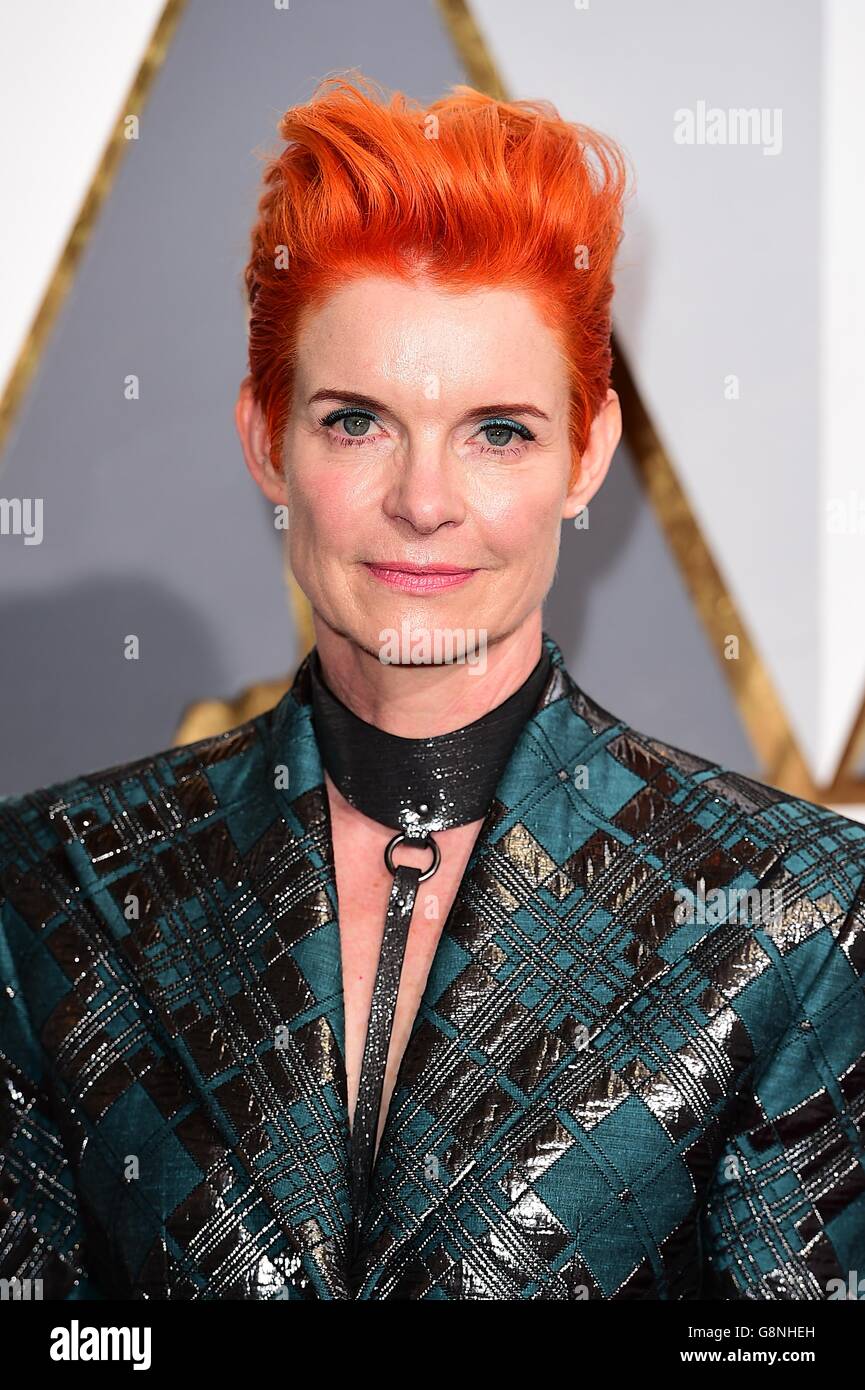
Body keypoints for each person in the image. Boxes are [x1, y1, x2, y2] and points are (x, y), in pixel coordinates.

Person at [1, 73, 864, 1302]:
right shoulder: (51, 892)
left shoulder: (794, 923)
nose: (422, 500)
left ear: (587, 455)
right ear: (266, 439)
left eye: (498, 430)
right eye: (357, 421)